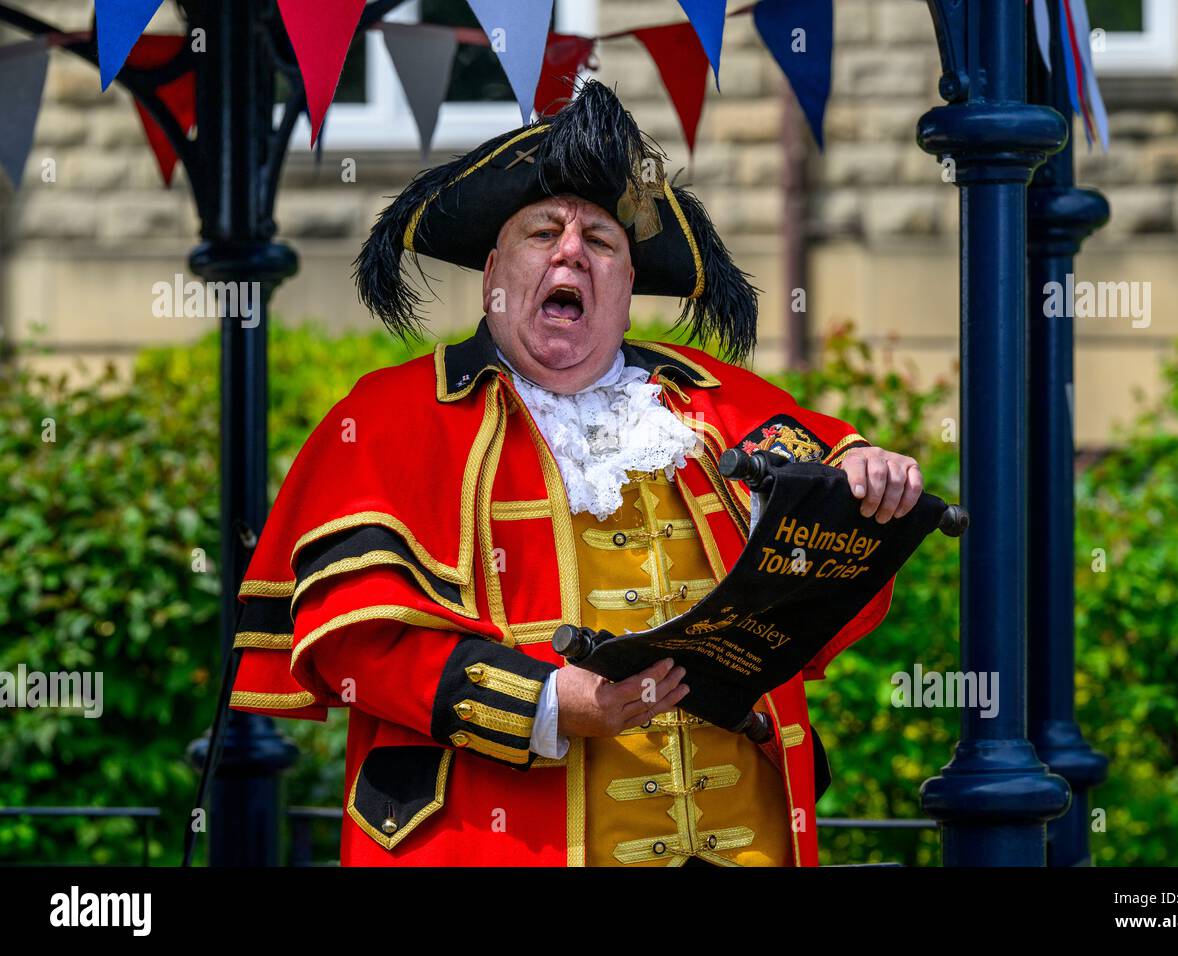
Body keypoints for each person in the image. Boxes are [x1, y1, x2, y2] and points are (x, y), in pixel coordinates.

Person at [228, 79, 923, 867]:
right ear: (493, 270)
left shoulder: (709, 399)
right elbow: (358, 643)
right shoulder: (392, 416)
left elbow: (832, 539)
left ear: (627, 289)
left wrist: (869, 483)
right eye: (543, 232)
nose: (571, 252)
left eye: (601, 242)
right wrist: (548, 704)